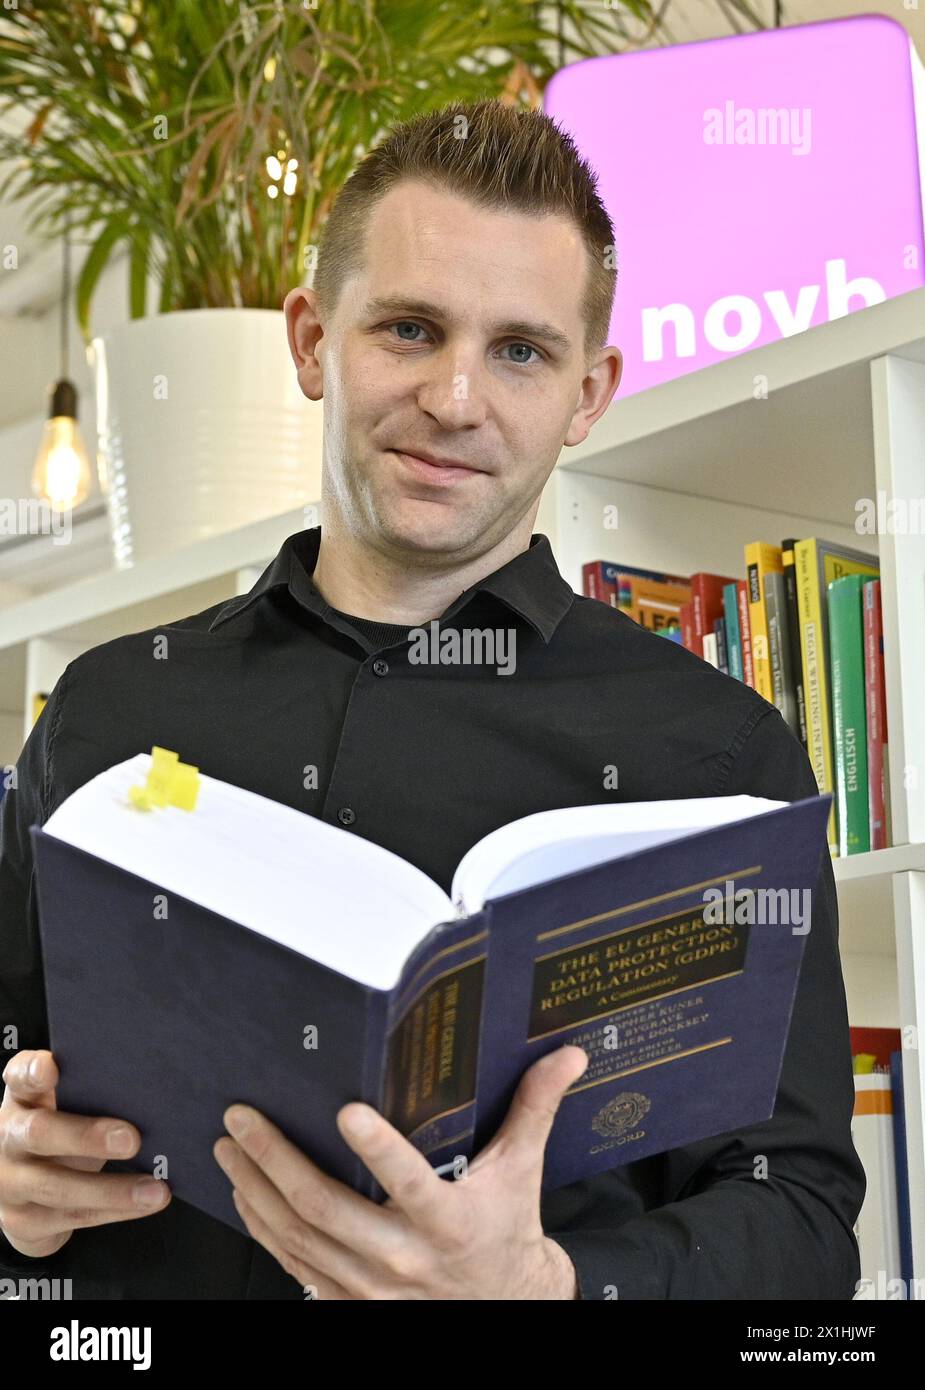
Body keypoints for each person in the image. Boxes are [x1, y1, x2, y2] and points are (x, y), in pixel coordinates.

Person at [0, 100, 864, 1300]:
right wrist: (12, 1198)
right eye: (408, 329)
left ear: (589, 391)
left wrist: (550, 1287)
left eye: (521, 350)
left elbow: (805, 1222)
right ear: (311, 342)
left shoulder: (720, 755)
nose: (457, 400)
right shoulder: (102, 717)